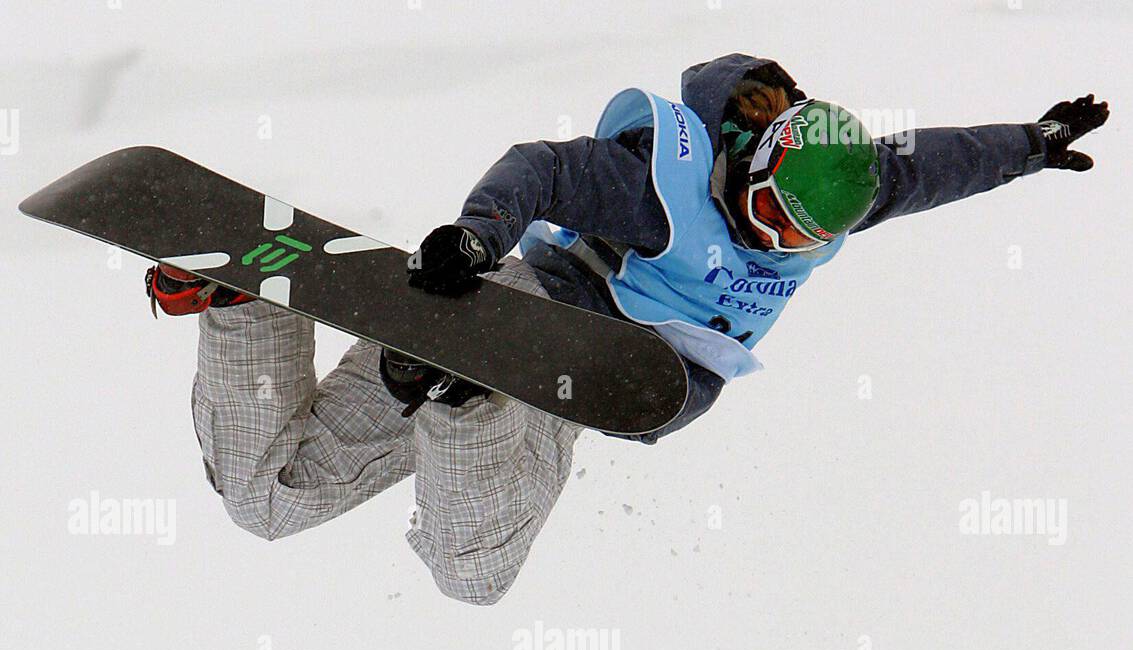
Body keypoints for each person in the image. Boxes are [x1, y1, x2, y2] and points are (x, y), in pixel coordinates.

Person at [145, 57, 1108, 605]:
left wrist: (1029, 145)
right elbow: (547, 167)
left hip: (548, 343)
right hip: (556, 351)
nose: (773, 243)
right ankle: (465, 397)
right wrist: (480, 236)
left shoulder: (838, 190)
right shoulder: (664, 187)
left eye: (804, 238)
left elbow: (929, 163)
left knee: (266, 502)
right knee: (470, 575)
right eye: (769, 214)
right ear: (750, 160)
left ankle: (261, 324)